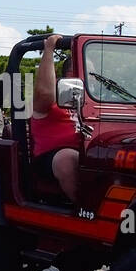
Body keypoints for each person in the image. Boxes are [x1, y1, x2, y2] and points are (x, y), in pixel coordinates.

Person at [29, 33, 79, 201]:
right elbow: (44, 93)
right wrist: (49, 49)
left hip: (89, 152)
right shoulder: (52, 98)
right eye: (82, 72)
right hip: (51, 157)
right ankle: (84, 212)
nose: (88, 78)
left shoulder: (98, 100)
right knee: (68, 158)